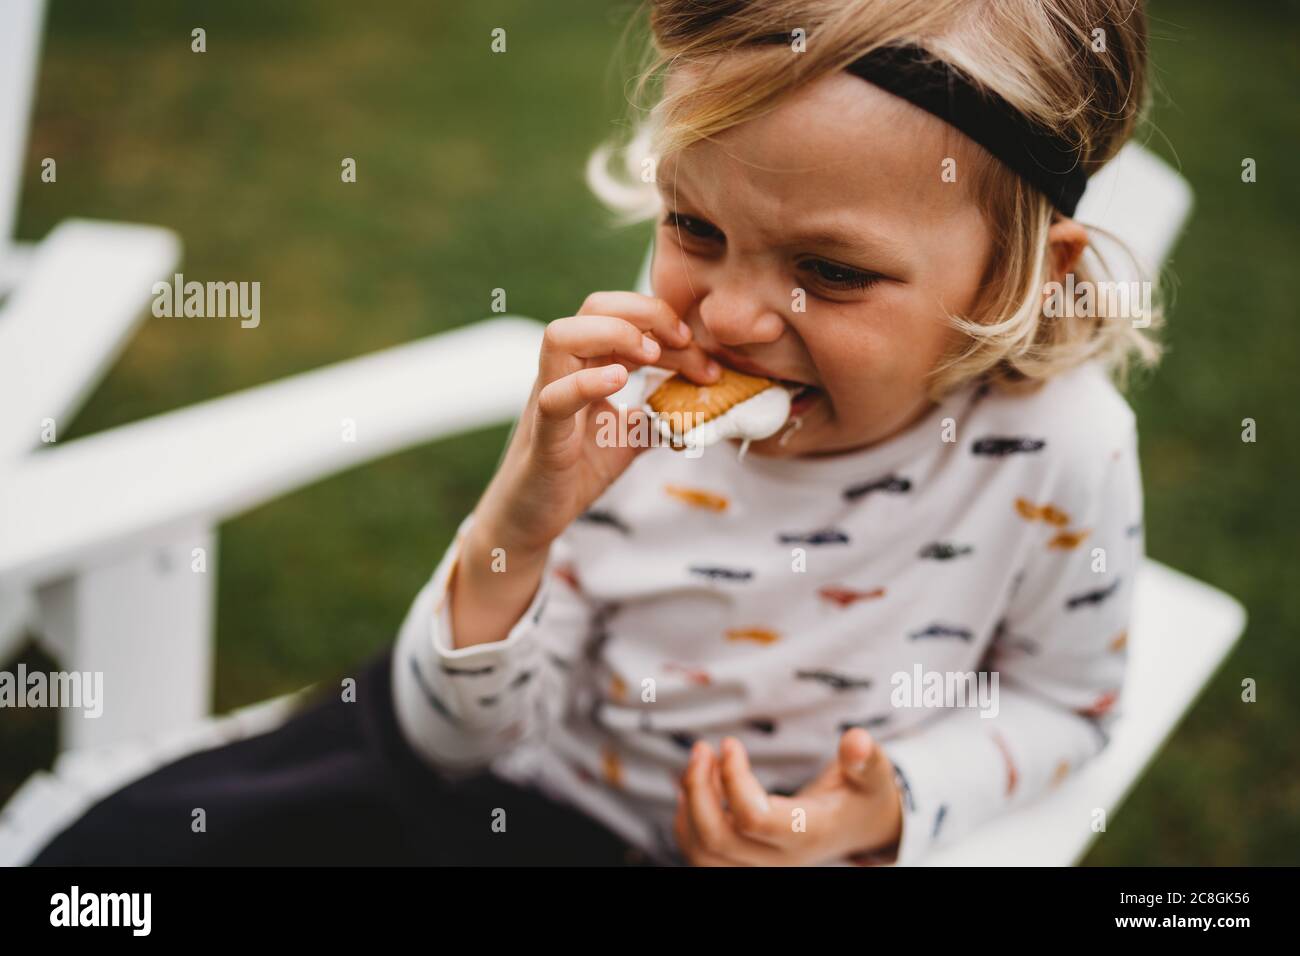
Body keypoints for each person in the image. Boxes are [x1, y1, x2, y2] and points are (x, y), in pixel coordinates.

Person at [35, 0, 1159, 867]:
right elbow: (443, 740)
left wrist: (880, 806)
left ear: (1023, 272)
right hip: (489, 789)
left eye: (830, 269)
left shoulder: (1062, 449)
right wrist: (515, 532)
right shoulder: (641, 389)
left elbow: (1066, 701)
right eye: (694, 226)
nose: (725, 313)